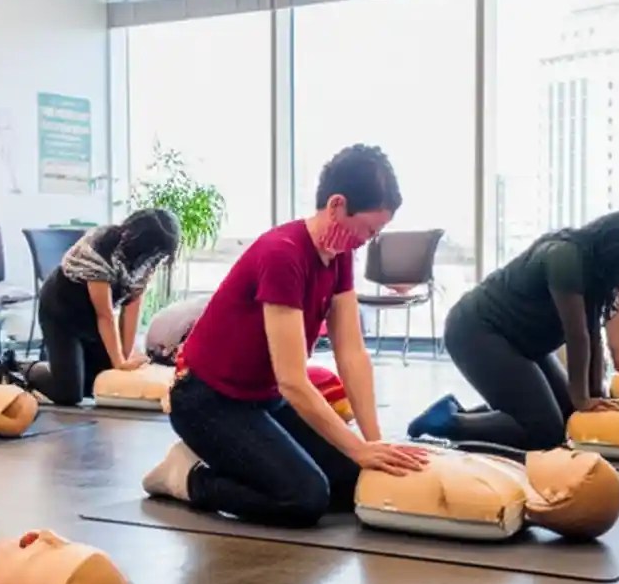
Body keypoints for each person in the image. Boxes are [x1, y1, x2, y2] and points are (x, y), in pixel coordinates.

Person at [140, 144, 429, 528]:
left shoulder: (340, 254)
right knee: (304, 498)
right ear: (337, 205)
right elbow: (293, 381)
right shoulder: (284, 254)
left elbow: (351, 352)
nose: (368, 240)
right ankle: (187, 477)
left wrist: (374, 446)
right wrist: (357, 447)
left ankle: (244, 460)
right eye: (368, 229)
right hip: (206, 400)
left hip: (262, 399)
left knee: (355, 481)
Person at [407, 211, 619, 450]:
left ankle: (462, 413)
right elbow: (577, 337)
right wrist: (583, 398)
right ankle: (448, 422)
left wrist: (595, 396)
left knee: (568, 417)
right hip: (477, 332)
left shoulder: (599, 272)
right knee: (546, 433)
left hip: (523, 342)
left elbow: (593, 333)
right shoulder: (566, 256)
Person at [0, 208, 181, 406]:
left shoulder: (145, 259)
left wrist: (124, 359)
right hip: (61, 310)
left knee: (99, 382)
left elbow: (132, 304)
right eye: (155, 251)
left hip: (91, 317)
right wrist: (119, 361)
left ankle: (65, 370)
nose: (156, 258)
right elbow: (106, 316)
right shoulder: (101, 246)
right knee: (68, 393)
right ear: (140, 241)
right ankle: (13, 366)